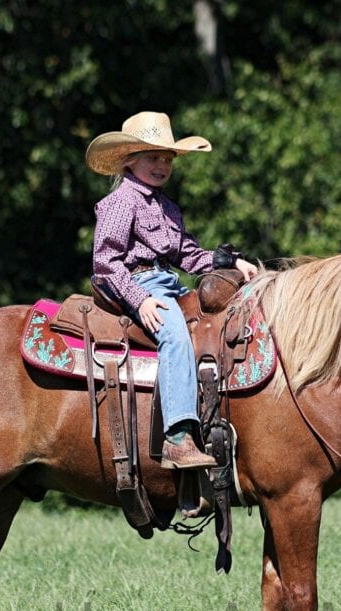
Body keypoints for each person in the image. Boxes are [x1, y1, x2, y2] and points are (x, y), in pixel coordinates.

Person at [86, 111, 258, 469]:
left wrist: (231, 263)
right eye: (153, 157)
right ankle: (177, 438)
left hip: (169, 282)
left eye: (167, 158)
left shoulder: (167, 207)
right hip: (137, 283)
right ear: (130, 161)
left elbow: (189, 256)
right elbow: (106, 262)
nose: (162, 164)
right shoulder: (122, 202)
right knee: (175, 333)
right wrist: (140, 299)